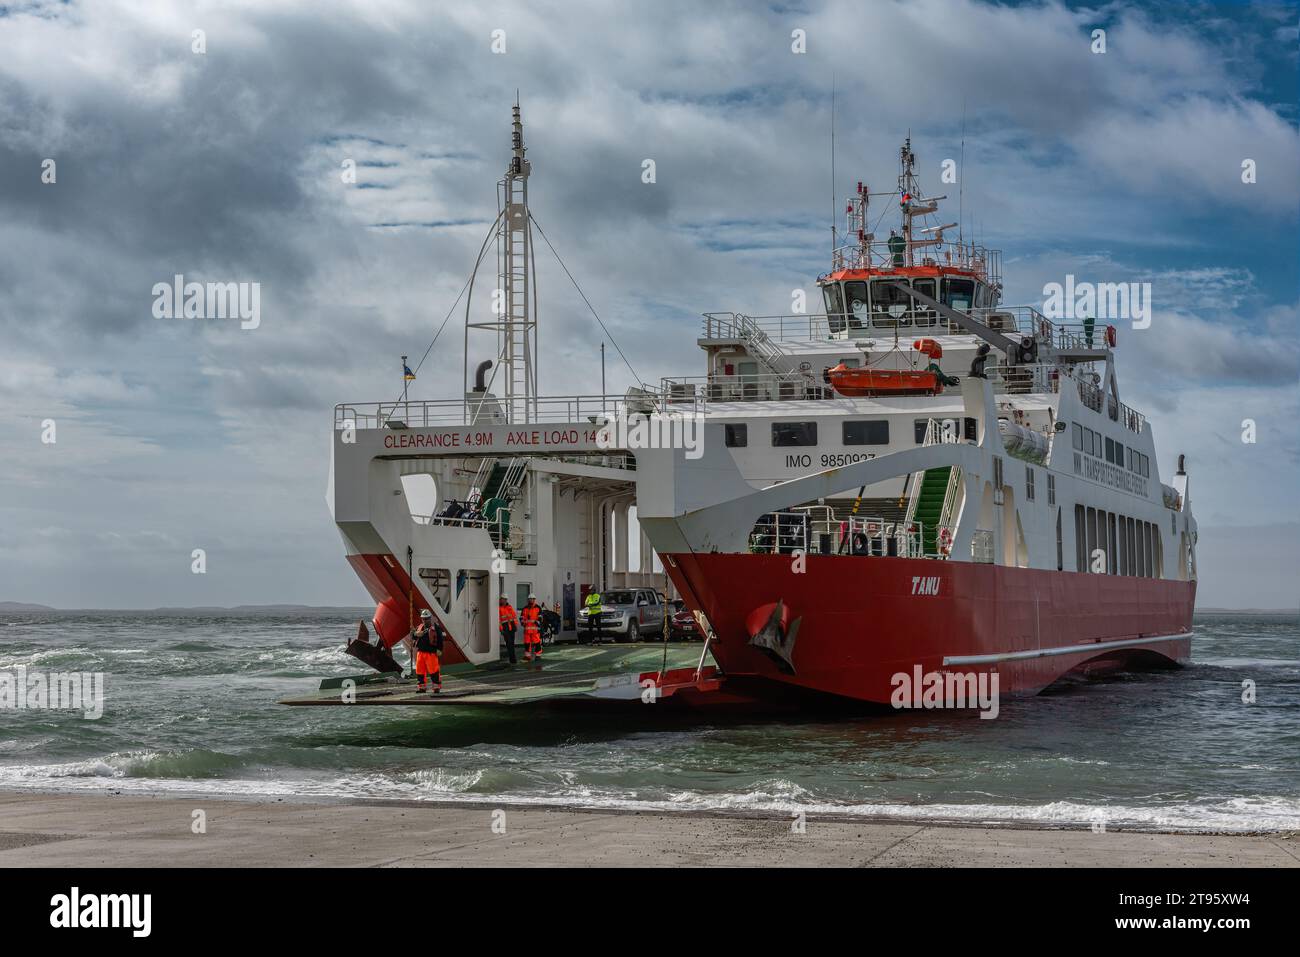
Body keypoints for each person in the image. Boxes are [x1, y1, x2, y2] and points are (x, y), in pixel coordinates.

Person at [411, 609, 443, 693]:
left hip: (431, 653)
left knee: (434, 670)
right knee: (420, 671)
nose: (425, 620)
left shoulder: (436, 627)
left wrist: (440, 649)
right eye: (423, 618)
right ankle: (422, 687)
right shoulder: (419, 627)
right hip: (420, 653)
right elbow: (412, 636)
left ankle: (436, 687)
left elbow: (440, 639)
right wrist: (415, 634)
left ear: (430, 618)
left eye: (426, 618)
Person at [520, 595, 543, 662]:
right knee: (527, 643)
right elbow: (521, 617)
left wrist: (537, 622)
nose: (530, 600)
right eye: (529, 599)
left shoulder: (538, 608)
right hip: (527, 630)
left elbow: (540, 617)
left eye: (532, 599)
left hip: (535, 630)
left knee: (537, 643)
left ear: (534, 599)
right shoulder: (525, 608)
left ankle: (538, 656)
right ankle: (527, 656)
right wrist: (522, 622)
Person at [498, 595, 518, 664]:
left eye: (505, 599)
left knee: (512, 644)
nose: (504, 600)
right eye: (503, 599)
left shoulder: (509, 607)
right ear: (500, 600)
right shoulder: (499, 608)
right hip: (505, 628)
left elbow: (514, 616)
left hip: (511, 627)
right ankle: (512, 660)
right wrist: (501, 629)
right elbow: (499, 620)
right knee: (509, 644)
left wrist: (515, 625)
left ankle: (513, 659)